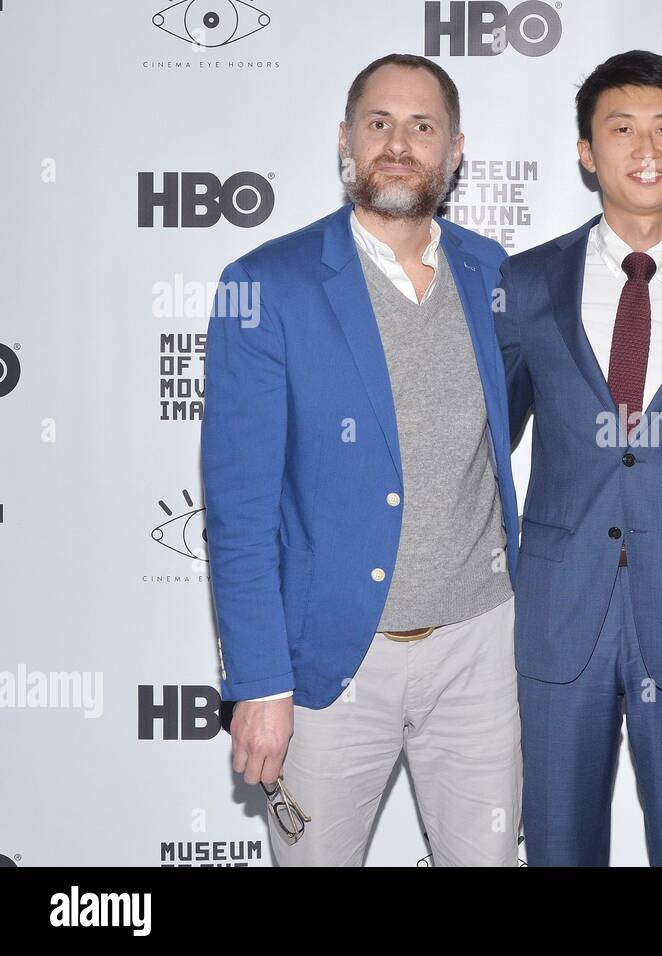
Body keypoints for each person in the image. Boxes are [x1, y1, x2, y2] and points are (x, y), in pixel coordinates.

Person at [202, 53, 521, 866]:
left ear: (455, 150)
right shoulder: (267, 285)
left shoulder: (495, 275)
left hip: (481, 648)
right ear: (346, 138)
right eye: (379, 123)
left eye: (423, 127)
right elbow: (239, 514)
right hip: (332, 663)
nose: (399, 144)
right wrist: (260, 684)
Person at [494, 50, 662, 866]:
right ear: (586, 150)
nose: (644, 146)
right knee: (556, 848)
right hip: (555, 616)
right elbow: (490, 432)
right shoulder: (526, 281)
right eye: (620, 128)